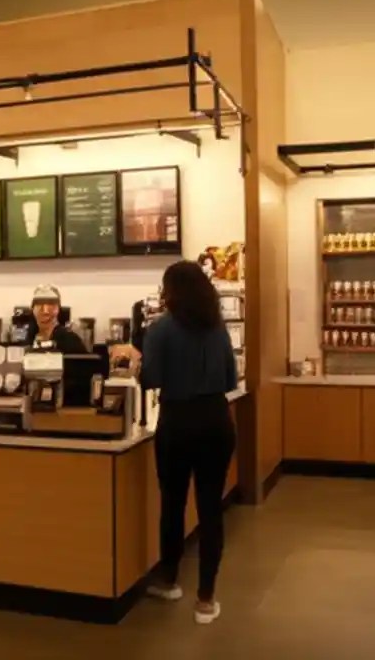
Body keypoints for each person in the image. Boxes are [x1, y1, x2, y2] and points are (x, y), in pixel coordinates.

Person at [140, 260, 238, 625]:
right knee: (211, 510)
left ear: (171, 292)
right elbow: (231, 377)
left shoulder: (160, 329)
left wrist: (135, 360)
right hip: (216, 420)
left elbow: (151, 378)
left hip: (176, 422)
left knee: (173, 504)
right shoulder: (217, 328)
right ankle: (206, 599)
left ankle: (169, 581)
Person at [26, 284, 89, 354]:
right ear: (32, 309)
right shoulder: (29, 339)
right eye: (39, 304)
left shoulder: (70, 340)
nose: (45, 311)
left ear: (58, 309)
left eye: (51, 305)